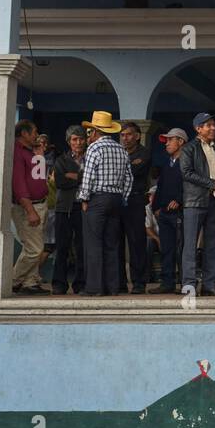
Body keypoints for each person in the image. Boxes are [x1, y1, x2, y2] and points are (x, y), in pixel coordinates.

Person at [76, 111, 133, 297]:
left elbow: (88, 176)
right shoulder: (121, 149)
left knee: (93, 244)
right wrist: (122, 197)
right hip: (116, 200)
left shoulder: (94, 149)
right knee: (112, 245)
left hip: (97, 199)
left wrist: (84, 198)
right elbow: (129, 178)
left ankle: (94, 288)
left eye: (90, 131)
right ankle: (112, 287)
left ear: (94, 131)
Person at [179, 112, 215, 297]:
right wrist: (213, 185)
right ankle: (189, 285)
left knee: (212, 244)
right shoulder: (188, 149)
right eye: (208, 125)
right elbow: (187, 172)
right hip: (195, 201)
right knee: (191, 244)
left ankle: (209, 284)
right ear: (198, 128)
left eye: (213, 125)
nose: (213, 128)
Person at [6, 120, 50, 295]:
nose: (36, 135)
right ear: (24, 133)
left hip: (41, 203)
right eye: (34, 132)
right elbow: (19, 184)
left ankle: (29, 282)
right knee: (35, 249)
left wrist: (39, 158)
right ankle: (13, 281)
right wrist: (30, 210)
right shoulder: (17, 152)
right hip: (28, 207)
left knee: (31, 245)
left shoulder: (32, 152)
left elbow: (38, 177)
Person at [115, 122, 152, 294]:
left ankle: (139, 282)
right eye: (122, 135)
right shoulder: (117, 152)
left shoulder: (144, 153)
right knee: (116, 243)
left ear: (137, 136)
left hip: (136, 201)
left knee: (137, 243)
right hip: (117, 201)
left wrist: (123, 167)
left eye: (128, 134)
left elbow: (133, 171)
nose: (125, 138)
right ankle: (120, 282)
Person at [149, 128, 187, 294]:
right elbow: (161, 187)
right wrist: (156, 207)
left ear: (180, 142)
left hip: (181, 213)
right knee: (167, 249)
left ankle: (185, 283)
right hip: (164, 213)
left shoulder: (187, 162)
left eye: (170, 140)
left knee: (181, 249)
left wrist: (179, 200)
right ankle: (167, 282)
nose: (167, 144)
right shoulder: (167, 162)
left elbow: (190, 186)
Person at [51, 125, 87, 295]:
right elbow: (59, 181)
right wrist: (82, 178)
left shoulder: (90, 158)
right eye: (74, 139)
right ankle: (59, 283)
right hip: (63, 208)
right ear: (68, 142)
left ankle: (80, 284)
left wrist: (72, 176)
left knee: (82, 248)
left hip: (83, 208)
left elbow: (92, 180)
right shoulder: (61, 160)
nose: (78, 142)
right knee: (62, 247)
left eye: (81, 139)